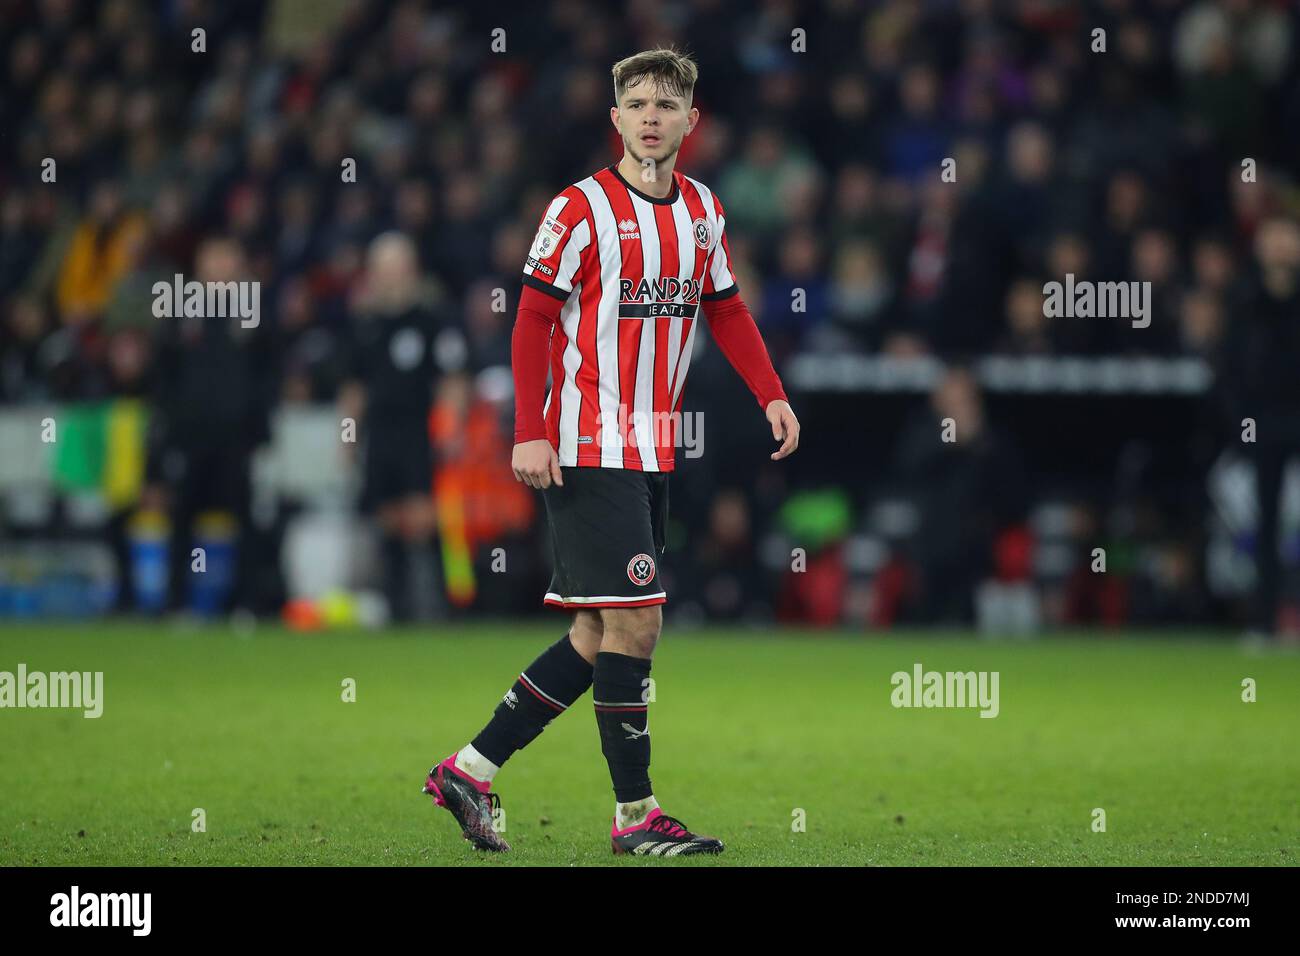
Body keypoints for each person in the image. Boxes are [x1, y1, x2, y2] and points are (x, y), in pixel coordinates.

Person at [422, 48, 799, 856]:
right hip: (587, 442)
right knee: (640, 622)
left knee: (599, 634)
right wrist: (528, 429)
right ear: (617, 118)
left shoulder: (702, 211)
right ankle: (636, 818)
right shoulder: (579, 209)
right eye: (637, 103)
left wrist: (770, 391)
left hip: (652, 446)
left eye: (668, 104)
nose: (652, 116)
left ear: (691, 122)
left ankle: (469, 769)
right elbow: (529, 321)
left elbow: (726, 310)